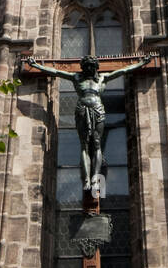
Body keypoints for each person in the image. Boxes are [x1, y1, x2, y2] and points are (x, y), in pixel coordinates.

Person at [25, 51, 151, 195]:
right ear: (84, 68)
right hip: (82, 110)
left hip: (98, 109)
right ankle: (86, 179)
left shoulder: (102, 78)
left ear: (96, 68)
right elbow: (55, 71)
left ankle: (95, 179)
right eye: (87, 66)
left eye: (92, 66)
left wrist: (141, 63)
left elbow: (123, 70)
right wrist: (37, 65)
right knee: (84, 145)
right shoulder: (76, 77)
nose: (90, 69)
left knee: (96, 144)